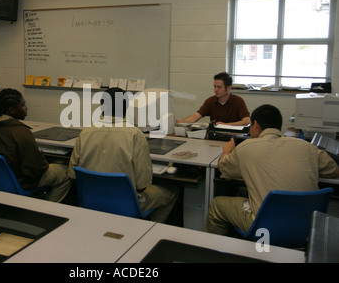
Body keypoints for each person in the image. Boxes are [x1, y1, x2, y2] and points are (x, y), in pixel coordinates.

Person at [205, 104, 339, 235]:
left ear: (255, 124)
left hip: (265, 225)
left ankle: (217, 254)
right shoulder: (307, 147)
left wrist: (226, 152)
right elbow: (334, 170)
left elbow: (225, 170)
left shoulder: (246, 147)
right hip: (307, 225)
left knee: (217, 205)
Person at [67, 87, 179, 223]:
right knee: (172, 192)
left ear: (102, 106)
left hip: (91, 201)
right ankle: (147, 232)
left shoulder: (85, 133)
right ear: (126, 108)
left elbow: (72, 174)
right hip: (127, 205)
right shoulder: (135, 135)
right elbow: (142, 184)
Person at [0, 88, 72, 202]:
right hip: (19, 182)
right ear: (11, 109)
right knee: (65, 172)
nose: (26, 108)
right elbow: (36, 170)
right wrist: (39, 157)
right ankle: (48, 209)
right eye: (23, 105)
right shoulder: (21, 132)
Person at [176, 72, 250, 126]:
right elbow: (195, 117)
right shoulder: (210, 101)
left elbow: (247, 121)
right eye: (214, 87)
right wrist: (181, 121)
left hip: (233, 137)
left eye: (219, 87)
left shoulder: (238, 101)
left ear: (228, 88)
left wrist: (226, 125)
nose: (215, 90)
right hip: (215, 136)